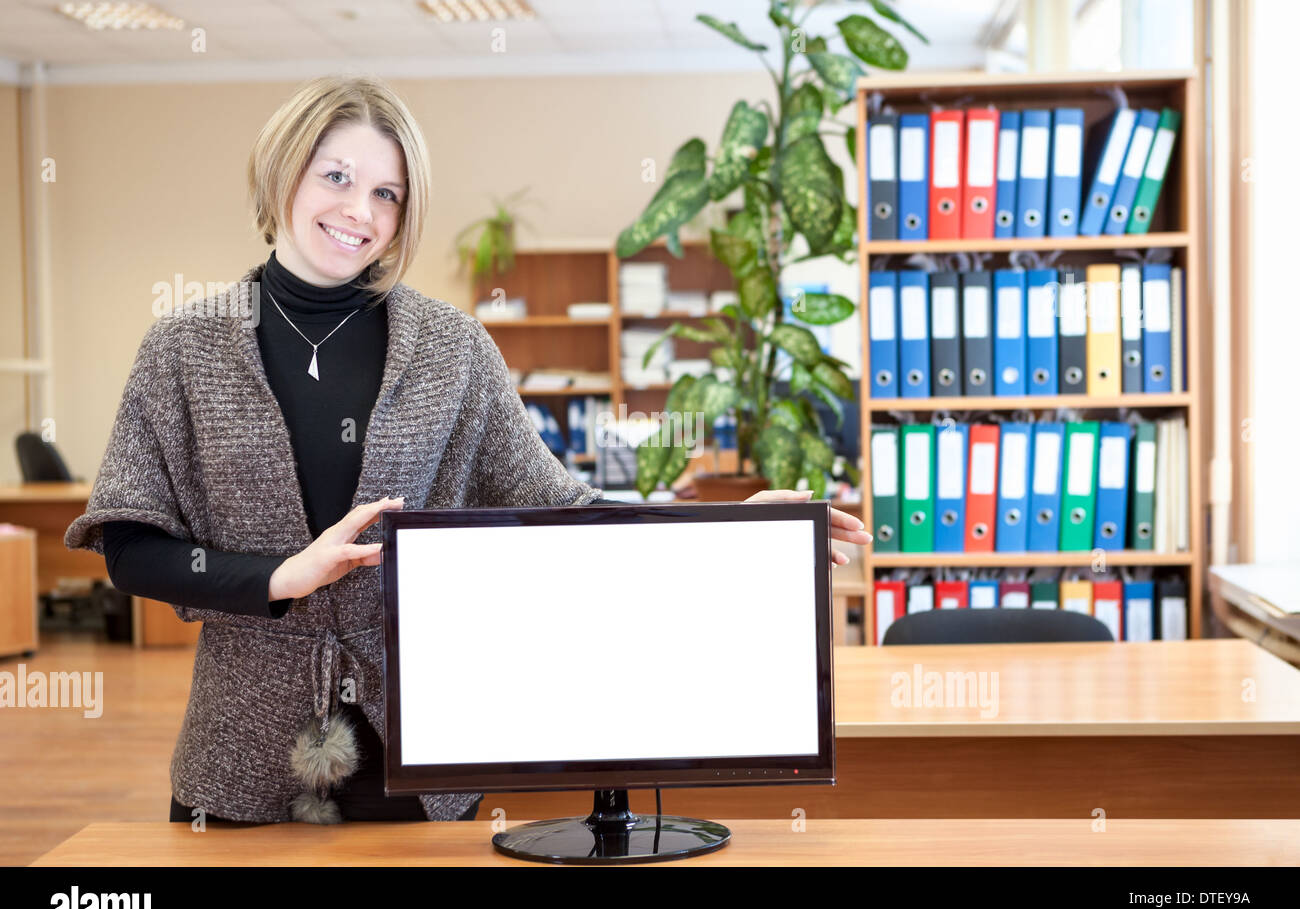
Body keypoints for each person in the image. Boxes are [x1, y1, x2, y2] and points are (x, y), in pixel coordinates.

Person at [64, 74, 870, 826]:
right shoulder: (183, 348)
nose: (361, 210)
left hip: (419, 757)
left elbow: (567, 512)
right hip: (238, 761)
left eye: (387, 192)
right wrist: (282, 576)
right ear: (282, 174)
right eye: (336, 178)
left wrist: (738, 528)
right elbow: (131, 547)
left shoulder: (451, 348)